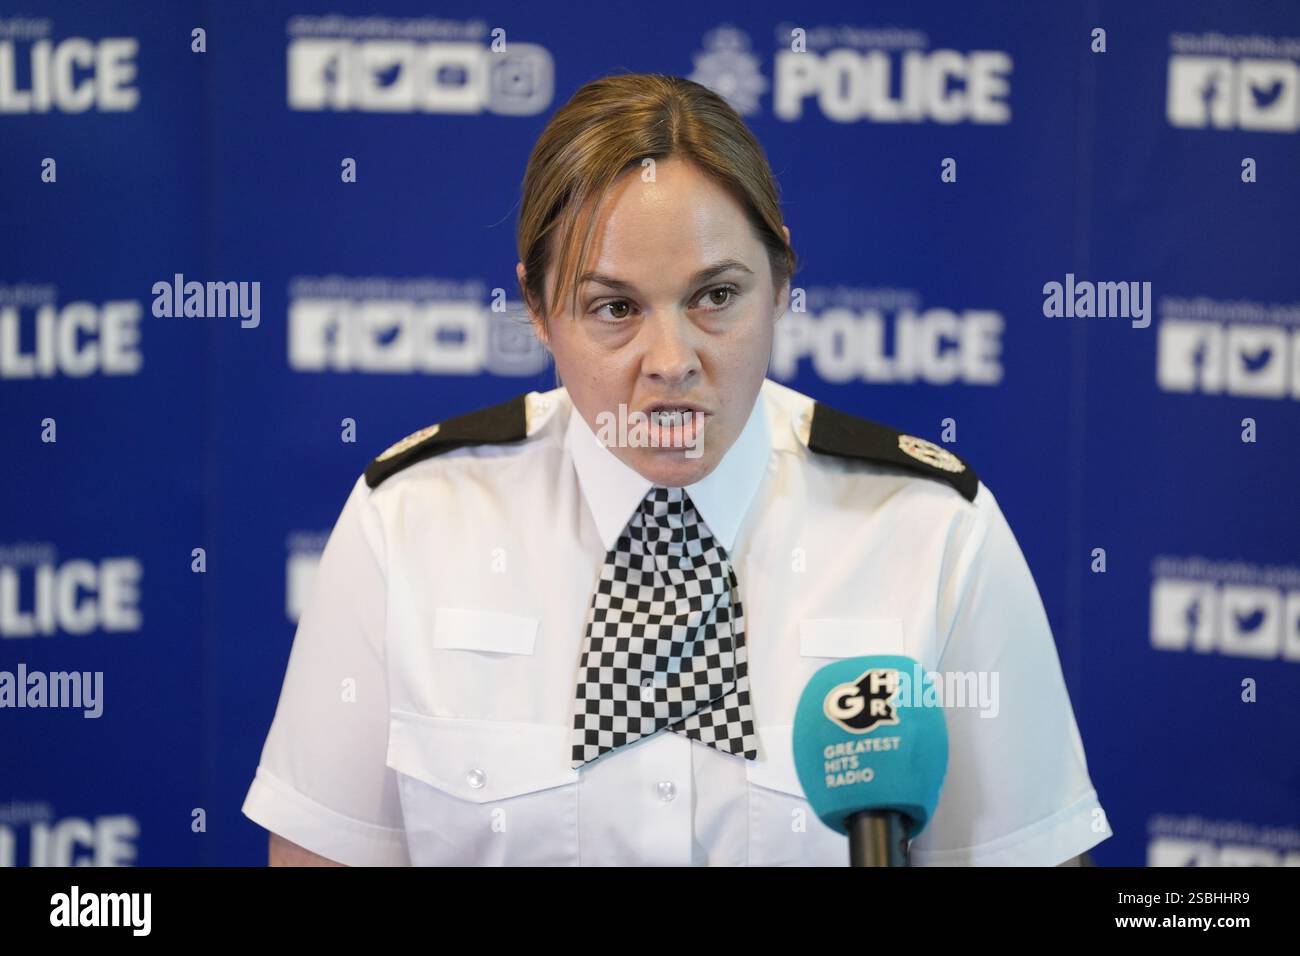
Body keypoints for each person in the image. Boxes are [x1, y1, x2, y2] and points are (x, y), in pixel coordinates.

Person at [241, 73, 1112, 866]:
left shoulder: (931, 531)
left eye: (716, 296)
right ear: (538, 313)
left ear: (782, 284)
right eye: (613, 308)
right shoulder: (412, 521)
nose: (671, 359)